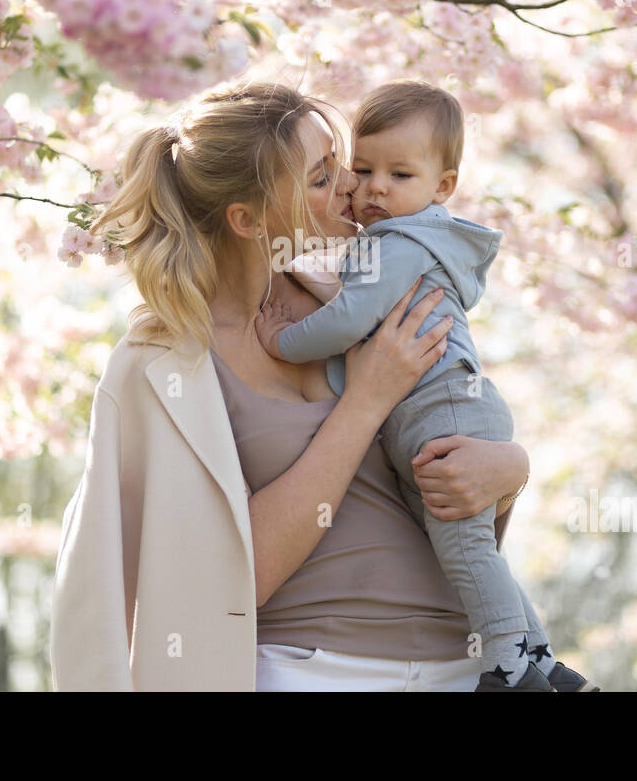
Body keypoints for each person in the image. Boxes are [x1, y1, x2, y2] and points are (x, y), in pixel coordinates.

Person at [50, 81, 538, 691]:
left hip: (472, 668)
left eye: (342, 168)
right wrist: (362, 405)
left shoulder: (364, 301)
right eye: (320, 177)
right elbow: (212, 579)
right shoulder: (162, 366)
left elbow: (445, 468)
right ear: (249, 219)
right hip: (312, 673)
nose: (353, 188)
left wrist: (510, 471)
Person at [255, 79, 597, 691]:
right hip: (440, 415)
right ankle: (540, 658)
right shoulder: (387, 246)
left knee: (463, 549)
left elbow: (351, 323)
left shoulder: (403, 243)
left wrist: (284, 341)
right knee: (464, 551)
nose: (374, 187)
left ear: (443, 188)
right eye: (362, 169)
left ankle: (509, 664)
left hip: (444, 412)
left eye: (400, 176)